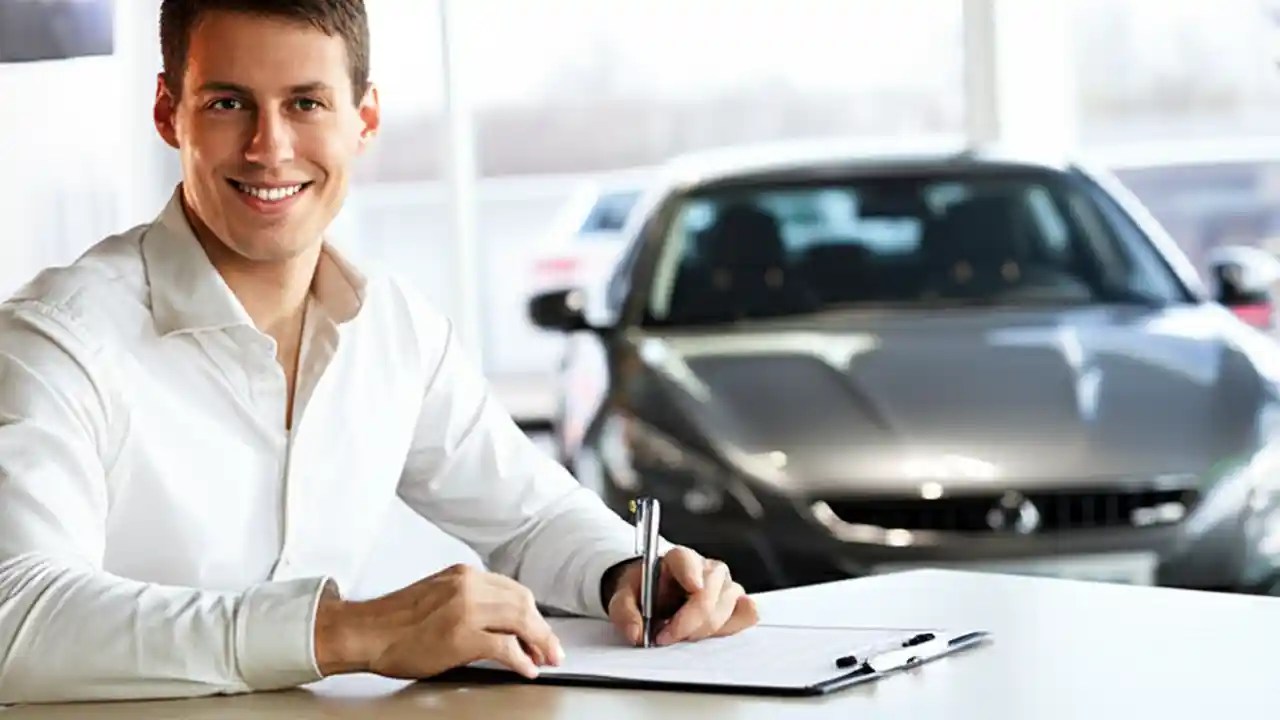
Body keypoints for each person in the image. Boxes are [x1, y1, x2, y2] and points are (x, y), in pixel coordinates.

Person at [0, 0, 756, 705]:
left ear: (364, 119)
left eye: (306, 102)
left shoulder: (394, 328)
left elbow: (530, 517)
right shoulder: (57, 341)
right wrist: (349, 631)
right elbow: (14, 614)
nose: (270, 148)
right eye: (229, 103)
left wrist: (629, 568)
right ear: (171, 114)